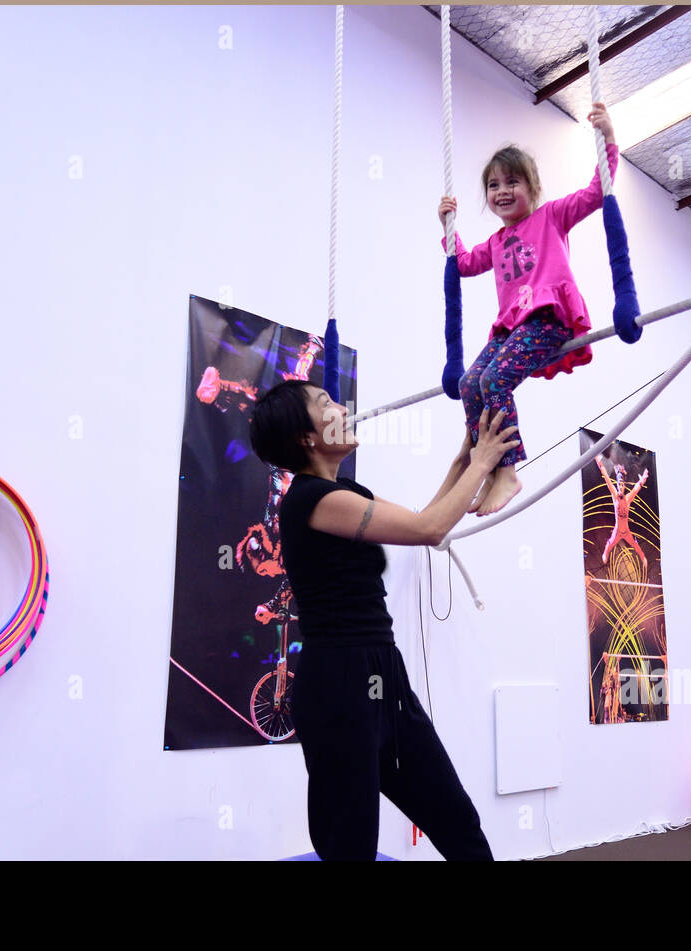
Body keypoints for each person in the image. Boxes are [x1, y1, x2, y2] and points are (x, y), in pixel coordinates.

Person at [248, 379, 518, 861]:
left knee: (454, 817)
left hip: (383, 677)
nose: (341, 407)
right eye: (325, 403)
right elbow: (430, 529)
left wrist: (464, 459)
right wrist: (481, 465)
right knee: (350, 845)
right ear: (306, 437)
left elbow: (427, 520)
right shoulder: (312, 500)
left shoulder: (348, 492)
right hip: (337, 684)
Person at [438, 103, 619, 516]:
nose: (502, 191)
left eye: (512, 182)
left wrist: (607, 138)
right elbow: (463, 264)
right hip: (511, 328)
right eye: (494, 185)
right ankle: (490, 467)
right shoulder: (497, 242)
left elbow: (597, 192)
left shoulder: (552, 216)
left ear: (532, 188)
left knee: (496, 380)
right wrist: (448, 227)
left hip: (546, 318)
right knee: (471, 384)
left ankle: (508, 468)